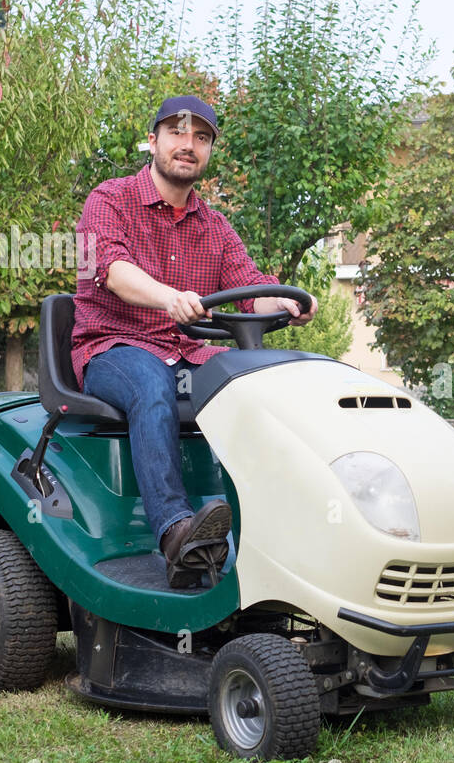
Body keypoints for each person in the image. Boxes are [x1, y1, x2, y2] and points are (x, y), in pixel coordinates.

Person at [71, 95, 317, 587]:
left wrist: (288, 302)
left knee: (262, 387)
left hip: (189, 353)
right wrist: (169, 298)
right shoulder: (109, 200)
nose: (188, 145)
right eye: (177, 133)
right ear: (153, 141)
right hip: (114, 348)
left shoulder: (215, 227)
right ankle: (177, 533)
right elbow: (111, 270)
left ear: (208, 151)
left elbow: (250, 290)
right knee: (152, 384)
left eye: (201, 137)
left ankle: (277, 528)